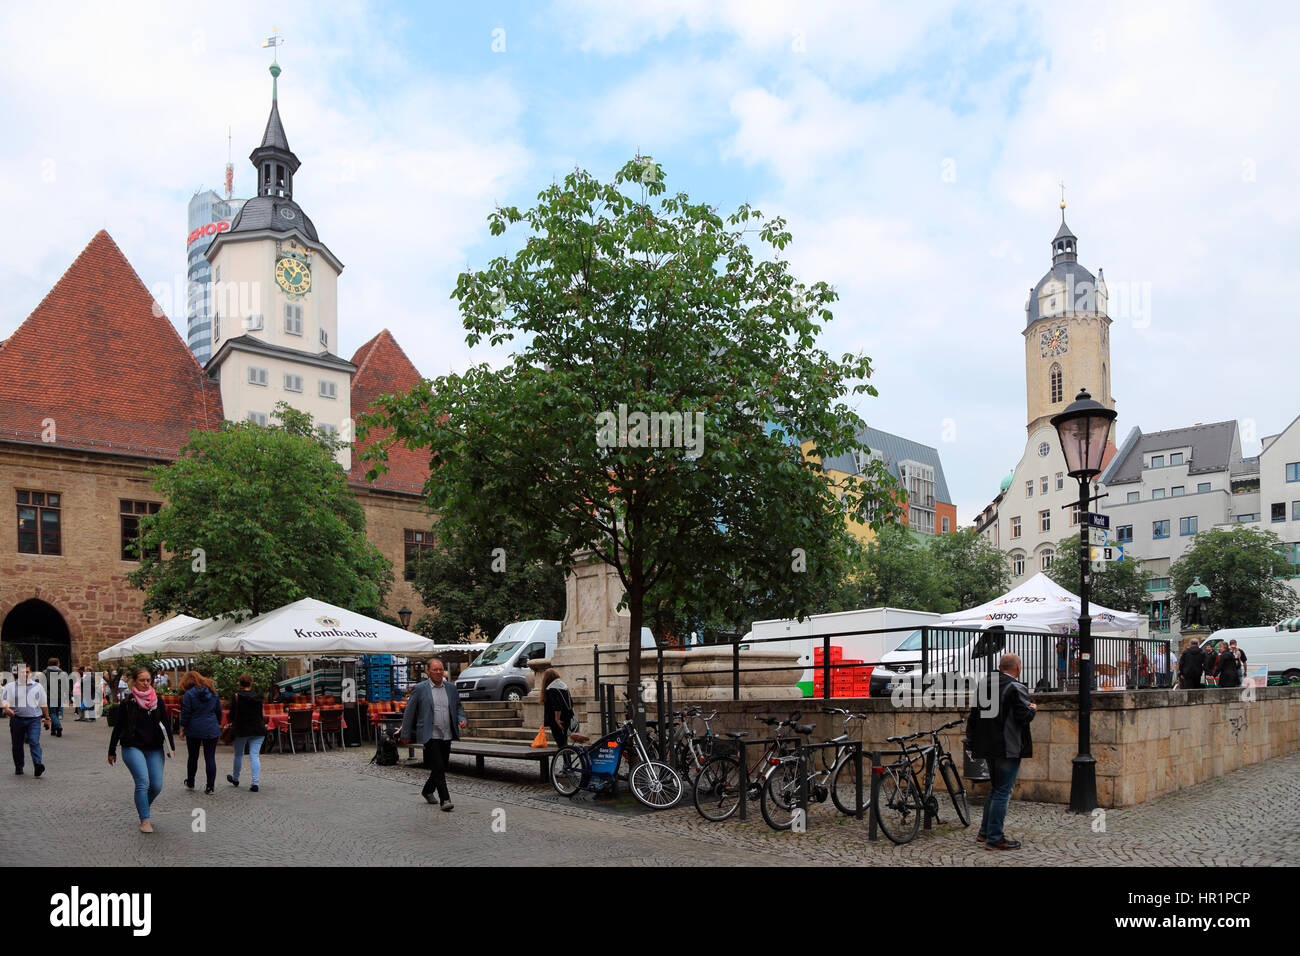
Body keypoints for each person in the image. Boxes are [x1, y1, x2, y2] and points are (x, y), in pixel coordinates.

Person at [970, 653, 1037, 851]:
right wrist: (1033, 708)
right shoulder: (1016, 687)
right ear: (1018, 667)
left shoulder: (983, 684)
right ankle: (995, 838)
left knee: (995, 787)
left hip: (987, 745)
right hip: (1007, 746)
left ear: (1000, 666)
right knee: (1002, 790)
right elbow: (1023, 716)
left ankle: (984, 832)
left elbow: (973, 716)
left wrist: (973, 743)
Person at [108, 666, 176, 833]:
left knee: (157, 785)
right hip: (132, 746)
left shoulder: (157, 701)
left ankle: (143, 806)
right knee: (143, 783)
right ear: (134, 682)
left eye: (148, 680)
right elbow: (118, 728)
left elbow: (166, 725)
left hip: (155, 747)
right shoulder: (127, 703)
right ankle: (145, 819)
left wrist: (171, 747)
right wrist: (111, 750)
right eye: (142, 680)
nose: (146, 683)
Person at [399, 658, 467, 811]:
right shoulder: (420, 688)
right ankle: (445, 800)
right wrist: (405, 733)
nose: (438, 672)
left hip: (446, 732)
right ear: (428, 671)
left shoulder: (450, 688)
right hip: (429, 733)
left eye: (440, 669)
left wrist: (462, 719)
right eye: (435, 670)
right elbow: (409, 712)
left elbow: (458, 707)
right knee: (438, 765)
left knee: (441, 767)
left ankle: (427, 790)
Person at [2, 664, 51, 776]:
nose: (25, 674)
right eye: (22, 672)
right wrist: (6, 708)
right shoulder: (10, 687)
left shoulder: (37, 686)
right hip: (17, 719)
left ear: (30, 673)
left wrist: (47, 718)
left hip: (34, 720)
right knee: (17, 745)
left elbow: (43, 704)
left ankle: (38, 765)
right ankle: (19, 766)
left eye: (27, 672)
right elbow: (4, 700)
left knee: (34, 741)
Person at [179, 671, 222, 794]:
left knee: (193, 756)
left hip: (194, 728)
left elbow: (186, 713)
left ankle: (191, 781)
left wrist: (183, 727)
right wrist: (217, 725)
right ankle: (210, 787)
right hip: (210, 727)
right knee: (210, 757)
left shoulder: (189, 694)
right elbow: (218, 710)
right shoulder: (212, 691)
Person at [226, 674, 266, 793]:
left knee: (239, 754)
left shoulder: (237, 696)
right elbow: (260, 714)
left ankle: (236, 778)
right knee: (255, 755)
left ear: (239, 683)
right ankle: (255, 782)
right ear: (251, 683)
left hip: (241, 729)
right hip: (258, 728)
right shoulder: (258, 697)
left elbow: (232, 714)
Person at [541, 668, 575, 748]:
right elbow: (571, 702)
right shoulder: (564, 686)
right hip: (567, 716)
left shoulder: (551, 689)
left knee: (560, 741)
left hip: (557, 719)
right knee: (564, 740)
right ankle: (567, 759)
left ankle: (566, 758)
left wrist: (557, 719)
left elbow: (557, 706)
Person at [43, 657, 67, 737]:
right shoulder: (62, 673)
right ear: (57, 664)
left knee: (52, 713)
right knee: (56, 712)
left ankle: (58, 727)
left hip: (50, 695)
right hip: (60, 695)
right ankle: (53, 730)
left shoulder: (45, 672)